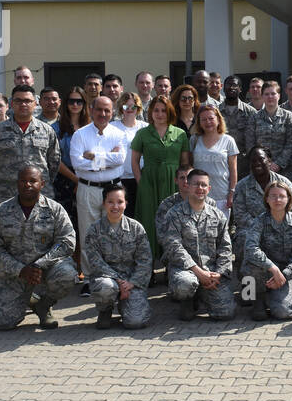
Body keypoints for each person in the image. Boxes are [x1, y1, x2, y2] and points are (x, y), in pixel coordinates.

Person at [0, 166, 78, 331]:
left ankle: (44, 305)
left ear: (42, 184)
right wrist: (21, 269)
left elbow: (67, 241)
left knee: (67, 274)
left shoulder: (54, 210)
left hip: (45, 271)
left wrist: (40, 264)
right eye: (23, 181)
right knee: (4, 323)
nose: (27, 184)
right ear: (17, 184)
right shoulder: (1, 211)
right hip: (13, 274)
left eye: (32, 181)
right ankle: (29, 299)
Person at [159, 168, 236, 321]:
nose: (200, 188)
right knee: (185, 284)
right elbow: (174, 247)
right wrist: (199, 273)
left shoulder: (218, 215)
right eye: (196, 184)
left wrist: (219, 273)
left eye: (203, 185)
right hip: (186, 270)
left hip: (212, 271)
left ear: (209, 188)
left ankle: (203, 294)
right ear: (187, 185)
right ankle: (188, 301)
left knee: (225, 313)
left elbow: (225, 248)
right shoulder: (174, 214)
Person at [71, 96, 132, 285]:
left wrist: (93, 157)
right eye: (99, 110)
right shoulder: (80, 135)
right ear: (91, 109)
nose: (103, 114)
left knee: (113, 233)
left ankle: (112, 275)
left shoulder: (118, 133)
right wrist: (107, 159)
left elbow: (120, 160)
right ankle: (90, 279)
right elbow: (77, 163)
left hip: (113, 189)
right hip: (88, 189)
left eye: (107, 110)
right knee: (88, 234)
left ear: (112, 111)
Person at [85, 183, 152, 329]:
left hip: (132, 282)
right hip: (108, 280)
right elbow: (95, 261)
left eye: (120, 202)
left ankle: (125, 308)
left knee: (135, 323)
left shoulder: (136, 228)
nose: (115, 206)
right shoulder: (94, 230)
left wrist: (131, 283)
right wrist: (118, 280)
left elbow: (145, 261)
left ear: (126, 204)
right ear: (104, 204)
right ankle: (105, 310)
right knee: (106, 287)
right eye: (110, 202)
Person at [131, 95, 189, 263]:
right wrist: (141, 183)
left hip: (173, 183)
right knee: (148, 223)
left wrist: (183, 185)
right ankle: (147, 267)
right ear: (151, 112)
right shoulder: (142, 133)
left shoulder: (180, 134)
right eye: (156, 110)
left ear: (169, 111)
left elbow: (185, 163)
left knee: (173, 223)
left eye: (163, 110)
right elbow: (134, 161)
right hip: (149, 183)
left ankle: (173, 264)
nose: (160, 114)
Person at [243, 179, 292, 320]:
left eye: (281, 196)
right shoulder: (259, 221)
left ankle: (285, 300)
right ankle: (258, 300)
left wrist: (283, 275)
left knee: (282, 312)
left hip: (289, 273)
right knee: (249, 267)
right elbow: (250, 248)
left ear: (288, 199)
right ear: (266, 199)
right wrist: (272, 268)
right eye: (273, 196)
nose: (277, 199)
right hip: (265, 271)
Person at [0, 85, 60, 210]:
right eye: (18, 101)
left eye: (27, 101)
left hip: (40, 195)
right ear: (11, 104)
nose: (23, 104)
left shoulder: (47, 131)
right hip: (6, 196)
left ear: (35, 104)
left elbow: (54, 163)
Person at [232, 147, 292, 280]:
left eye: (261, 159)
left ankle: (282, 276)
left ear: (269, 161)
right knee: (243, 239)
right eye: (253, 160)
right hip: (251, 230)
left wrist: (275, 226)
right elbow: (240, 215)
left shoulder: (284, 183)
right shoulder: (241, 186)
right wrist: (261, 228)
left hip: (281, 228)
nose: (257, 163)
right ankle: (247, 283)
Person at [191, 104, 239, 217]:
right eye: (203, 119)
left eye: (211, 118)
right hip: (199, 194)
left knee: (220, 232)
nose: (208, 122)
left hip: (221, 196)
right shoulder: (194, 140)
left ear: (218, 119)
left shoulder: (228, 140)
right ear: (199, 122)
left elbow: (233, 170)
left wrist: (232, 193)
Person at [54, 86, 89, 241]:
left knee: (85, 223)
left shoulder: (91, 127)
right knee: (66, 223)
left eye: (79, 101)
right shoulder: (55, 128)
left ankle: (84, 261)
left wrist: (82, 179)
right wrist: (76, 180)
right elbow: (55, 159)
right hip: (63, 179)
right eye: (71, 101)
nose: (75, 105)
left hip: (88, 177)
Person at [252, 80, 292, 184]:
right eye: (267, 94)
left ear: (279, 95)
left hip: (285, 170)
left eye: (273, 93)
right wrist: (263, 163)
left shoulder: (288, 116)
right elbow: (250, 143)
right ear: (262, 96)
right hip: (260, 169)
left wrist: (278, 164)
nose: (270, 97)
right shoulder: (254, 117)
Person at [113, 92, 149, 216]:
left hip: (140, 178)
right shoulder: (112, 127)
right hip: (119, 179)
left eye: (133, 107)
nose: (129, 109)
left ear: (138, 108)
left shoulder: (145, 127)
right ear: (120, 108)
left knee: (139, 214)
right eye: (125, 107)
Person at [220, 75, 258, 179]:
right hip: (221, 164)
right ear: (223, 88)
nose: (231, 88)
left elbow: (255, 139)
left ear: (240, 89)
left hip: (244, 165)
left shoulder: (251, 112)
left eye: (234, 85)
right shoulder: (216, 112)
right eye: (228, 85)